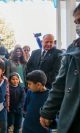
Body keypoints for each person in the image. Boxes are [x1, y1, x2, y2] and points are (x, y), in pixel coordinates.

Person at [40, 4, 80, 133]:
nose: (78, 26)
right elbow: (60, 83)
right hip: (74, 117)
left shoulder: (58, 53)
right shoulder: (72, 50)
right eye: (76, 22)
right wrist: (48, 111)